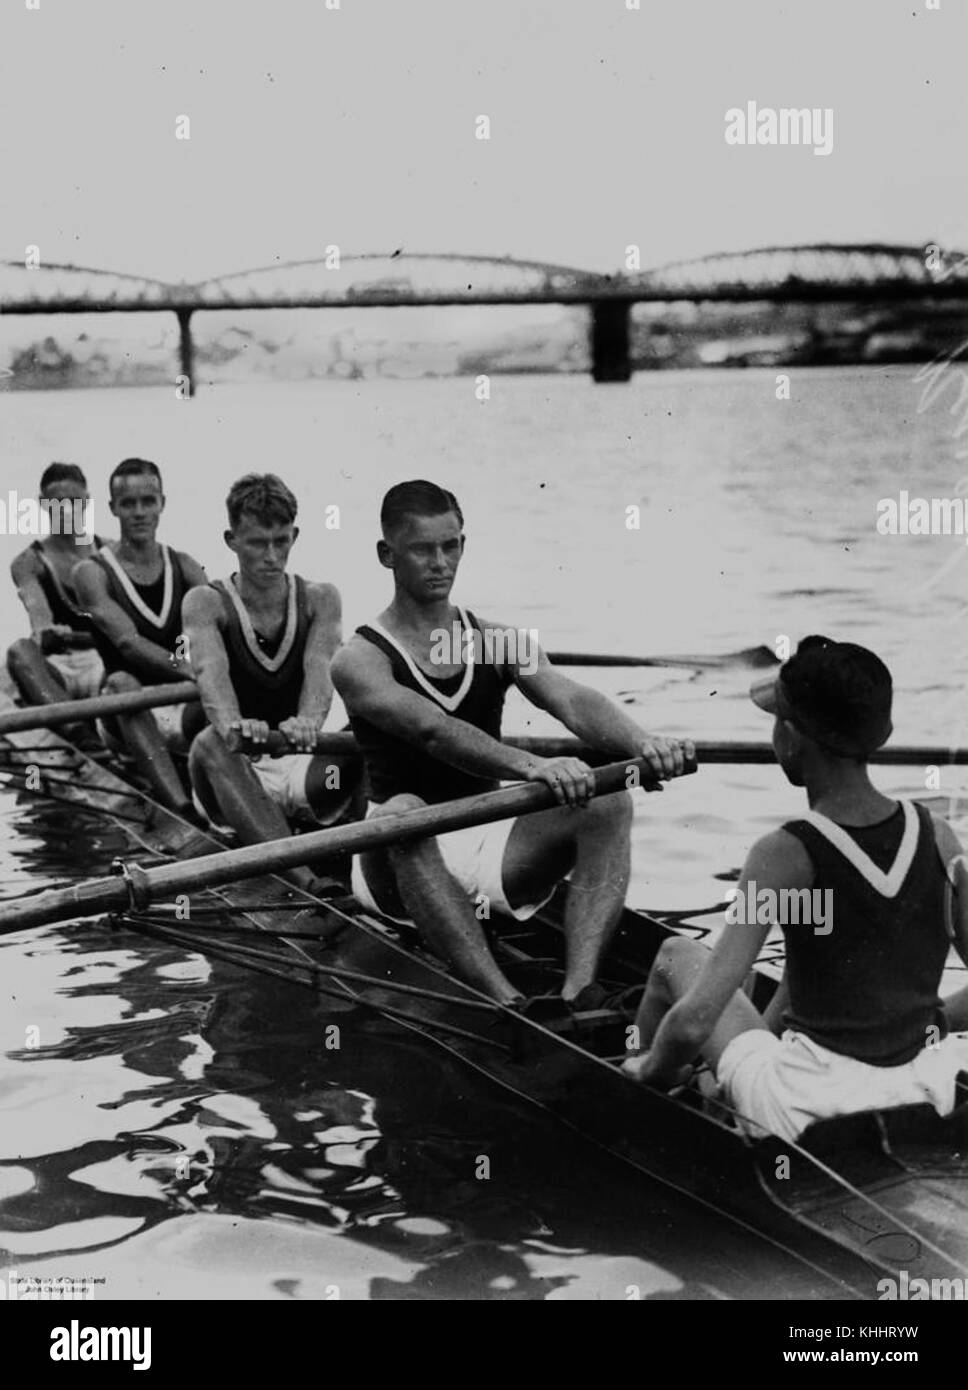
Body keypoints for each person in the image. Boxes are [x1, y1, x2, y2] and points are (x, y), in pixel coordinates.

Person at [331, 479, 693, 1009]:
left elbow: (570, 700)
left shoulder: (498, 641)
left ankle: (578, 992)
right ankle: (506, 1004)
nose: (440, 562)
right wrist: (532, 766)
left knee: (610, 801)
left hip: (487, 839)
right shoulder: (359, 659)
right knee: (406, 811)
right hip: (396, 863)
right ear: (387, 554)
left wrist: (645, 743)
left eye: (450, 545)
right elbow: (432, 729)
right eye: (422, 549)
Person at [622, 636, 968, 1143]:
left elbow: (696, 1023)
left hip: (806, 1107)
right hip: (923, 1091)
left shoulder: (783, 852)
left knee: (675, 954)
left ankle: (652, 1092)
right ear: (882, 732)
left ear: (791, 738)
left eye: (776, 721)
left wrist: (650, 1067)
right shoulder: (938, 835)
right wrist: (926, 1018)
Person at [183, 474, 360, 901]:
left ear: (295, 535)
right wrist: (236, 729)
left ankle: (367, 866)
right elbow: (211, 676)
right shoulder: (205, 603)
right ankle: (307, 883)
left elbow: (321, 672)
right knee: (210, 741)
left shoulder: (321, 598)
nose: (271, 556)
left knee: (373, 724)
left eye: (281, 541)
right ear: (231, 540)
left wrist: (308, 723)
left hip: (304, 769)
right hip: (235, 776)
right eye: (257, 543)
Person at [73, 458, 208, 819]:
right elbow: (128, 643)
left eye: (148, 501)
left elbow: (219, 634)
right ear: (113, 508)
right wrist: (193, 672)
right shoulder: (92, 572)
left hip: (184, 707)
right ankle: (181, 809)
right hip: (128, 716)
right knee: (120, 680)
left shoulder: (187, 565)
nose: (139, 512)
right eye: (128, 503)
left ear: (162, 503)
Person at [7, 464, 105, 742]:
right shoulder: (28, 562)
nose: (66, 511)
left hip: (102, 666)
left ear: (86, 501)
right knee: (19, 651)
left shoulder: (109, 552)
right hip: (58, 672)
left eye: (73, 502)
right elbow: (44, 629)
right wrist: (49, 633)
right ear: (43, 505)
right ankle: (83, 738)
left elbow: (126, 633)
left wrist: (72, 636)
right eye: (57, 503)